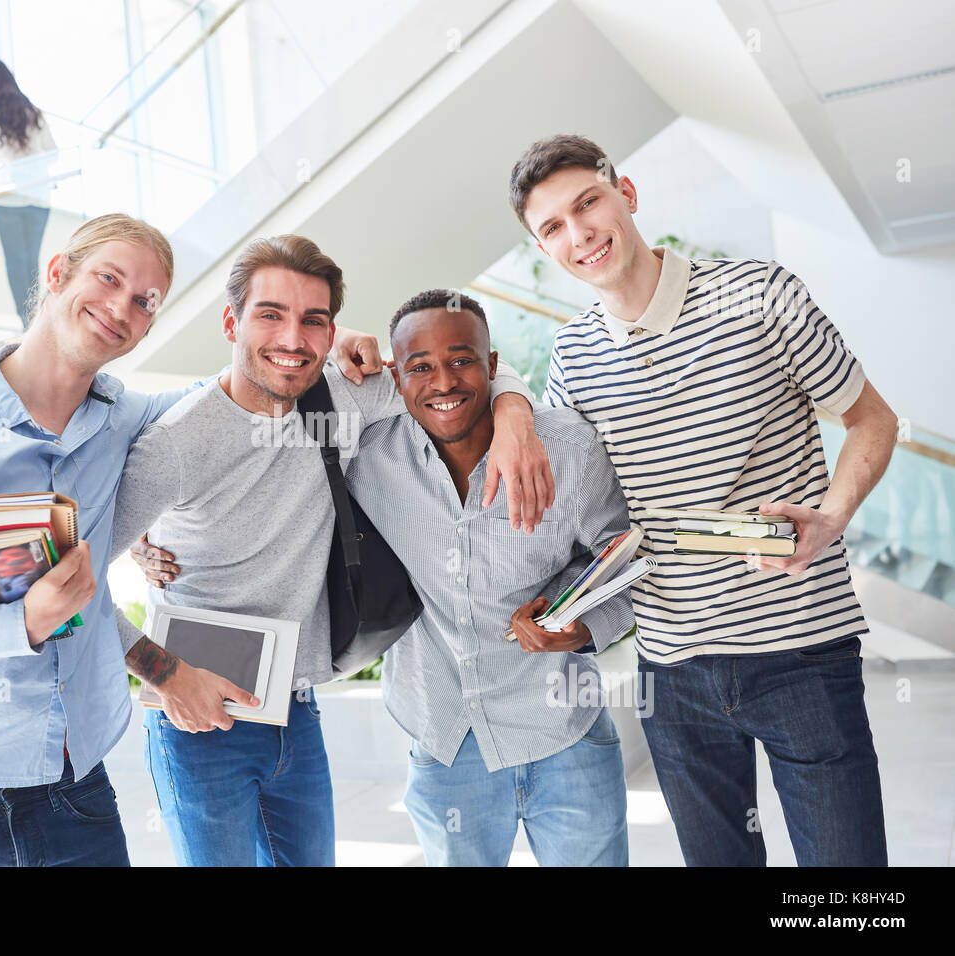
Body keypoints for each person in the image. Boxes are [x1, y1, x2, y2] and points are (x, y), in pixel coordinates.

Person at [0, 213, 387, 867]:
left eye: (145, 300)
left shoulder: (132, 423)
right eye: (108, 279)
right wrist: (18, 623)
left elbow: (238, 392)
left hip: (72, 794)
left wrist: (317, 337)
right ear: (58, 272)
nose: (122, 306)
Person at [138, 289, 635, 867]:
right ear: (395, 378)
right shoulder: (367, 451)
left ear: (493, 365)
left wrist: (586, 625)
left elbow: (621, 560)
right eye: (419, 367)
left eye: (463, 360)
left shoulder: (568, 447)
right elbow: (244, 398)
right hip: (445, 742)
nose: (443, 382)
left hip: (566, 733)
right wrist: (151, 532)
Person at [509, 133, 897, 866]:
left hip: (802, 651)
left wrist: (833, 516)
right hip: (672, 672)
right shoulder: (572, 357)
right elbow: (591, 518)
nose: (579, 233)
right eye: (551, 227)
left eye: (587, 203)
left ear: (625, 194)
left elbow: (871, 417)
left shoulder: (761, 294)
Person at [0, 59, 57, 327]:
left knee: (16, 264)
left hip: (7, 199)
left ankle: (28, 324)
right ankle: (37, 321)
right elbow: (53, 153)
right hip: (38, 197)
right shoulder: (32, 111)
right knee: (31, 263)